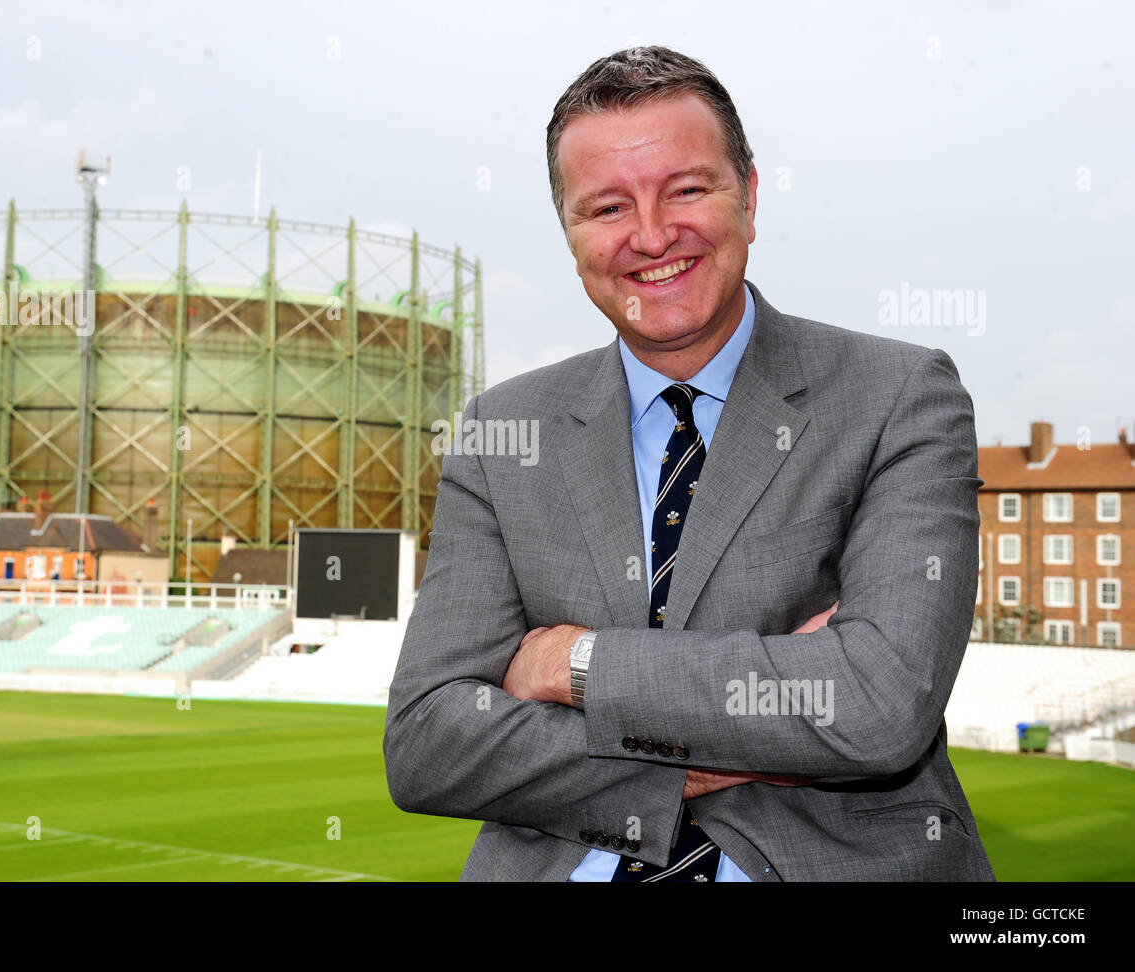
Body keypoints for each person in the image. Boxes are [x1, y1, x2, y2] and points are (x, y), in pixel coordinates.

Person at [384, 45, 994, 882]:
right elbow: (427, 743)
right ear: (569, 231)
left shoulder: (898, 396)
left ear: (748, 191)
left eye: (686, 189)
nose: (651, 236)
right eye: (606, 207)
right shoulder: (503, 428)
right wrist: (746, 733)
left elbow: (879, 706)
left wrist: (576, 665)